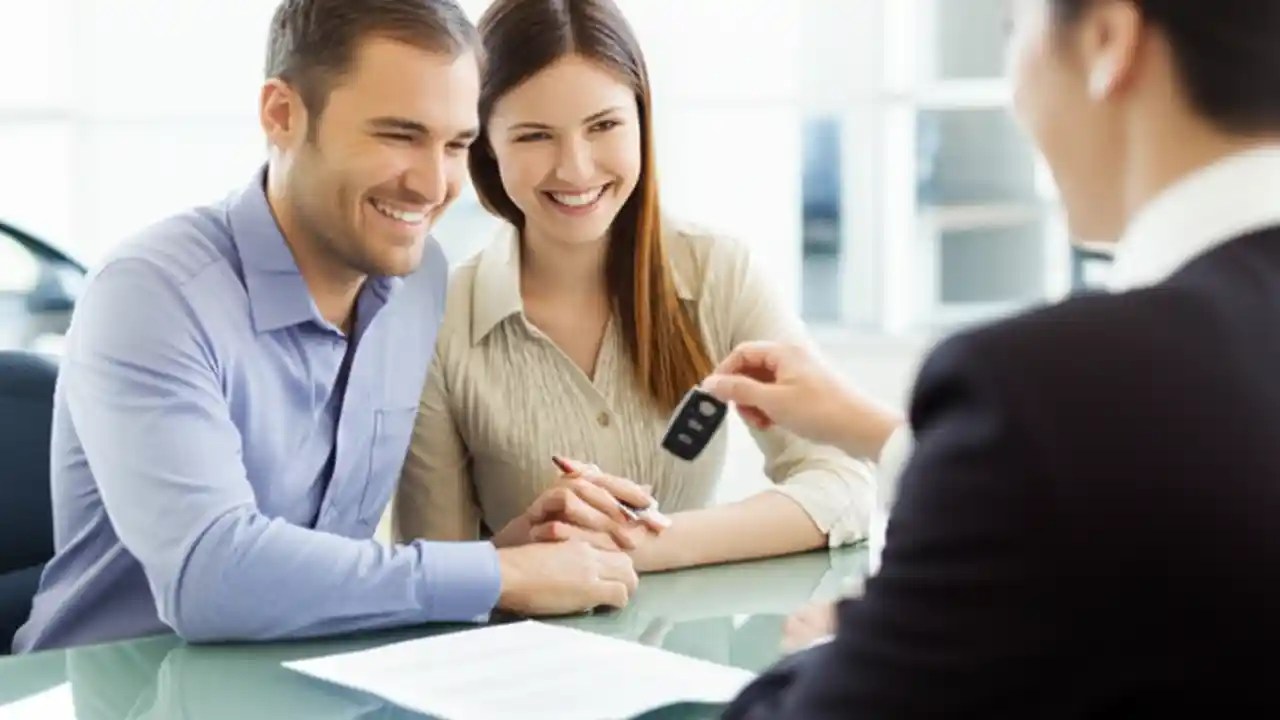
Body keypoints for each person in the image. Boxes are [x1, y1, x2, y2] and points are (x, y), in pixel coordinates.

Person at [704, 0, 1280, 715]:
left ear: (1107, 39)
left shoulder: (1044, 389)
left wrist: (847, 650)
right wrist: (887, 435)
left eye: (1015, 31)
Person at [13, 0, 638, 655]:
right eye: (398, 135)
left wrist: (512, 559)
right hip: (119, 694)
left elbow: (324, 570)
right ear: (282, 115)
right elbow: (210, 578)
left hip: (304, 685)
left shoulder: (418, 279)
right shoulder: (151, 291)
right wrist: (494, 574)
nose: (433, 184)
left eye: (456, 144)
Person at [391, 0, 884, 574]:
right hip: (525, 656)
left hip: (694, 657)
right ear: (486, 146)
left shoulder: (717, 274)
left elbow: (844, 484)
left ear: (642, 122)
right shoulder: (440, 319)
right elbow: (431, 574)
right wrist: (527, 550)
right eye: (533, 136)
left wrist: (650, 544)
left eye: (603, 126)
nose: (574, 169)